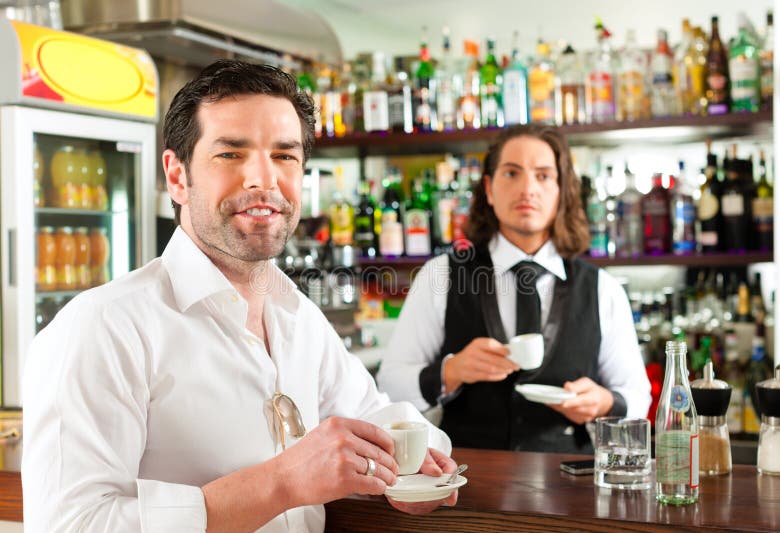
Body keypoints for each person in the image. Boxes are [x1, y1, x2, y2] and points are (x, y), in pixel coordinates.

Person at [22, 59, 457, 533]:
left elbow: (376, 415)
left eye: (285, 156)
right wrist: (281, 483)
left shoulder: (298, 316)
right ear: (177, 177)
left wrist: (421, 465)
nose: (263, 180)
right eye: (231, 154)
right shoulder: (102, 328)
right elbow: (70, 524)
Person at [376, 124, 651, 453]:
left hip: (568, 477)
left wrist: (605, 402)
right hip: (468, 474)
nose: (528, 189)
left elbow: (637, 397)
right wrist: (451, 371)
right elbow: (389, 385)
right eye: (511, 173)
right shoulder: (442, 275)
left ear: (561, 190)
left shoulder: (602, 288)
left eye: (543, 176)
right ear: (489, 189)